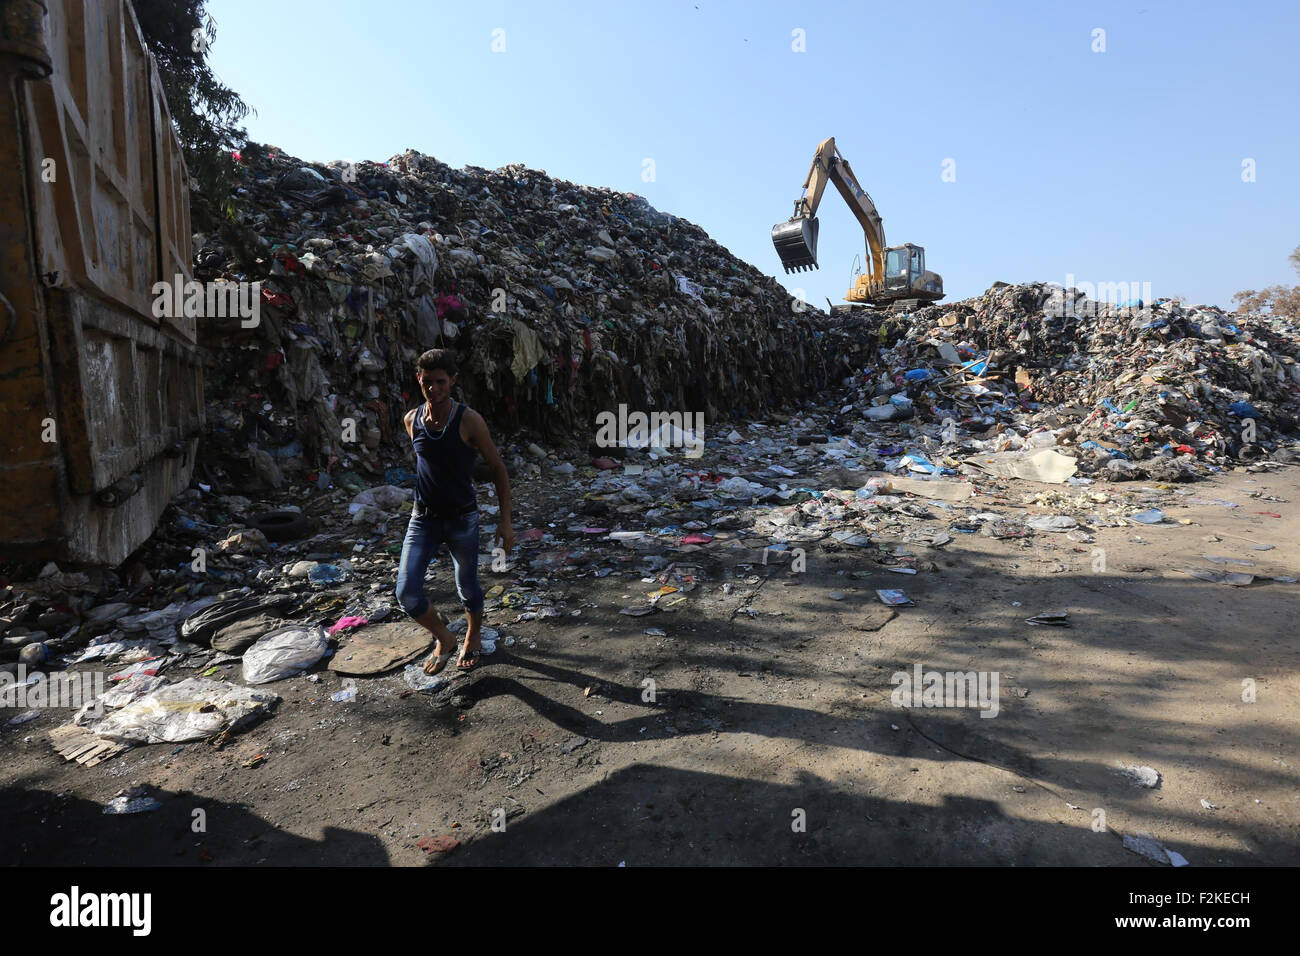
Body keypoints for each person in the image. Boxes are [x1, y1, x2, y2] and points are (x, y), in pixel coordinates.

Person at [395, 349, 513, 672]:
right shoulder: (411, 420)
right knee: (406, 593)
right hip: (423, 519)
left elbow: (498, 468)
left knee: (467, 585)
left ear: (453, 382)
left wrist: (506, 522)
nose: (434, 389)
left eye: (441, 382)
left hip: (462, 518)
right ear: (419, 380)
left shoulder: (469, 421)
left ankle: (472, 634)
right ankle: (445, 637)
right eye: (428, 382)